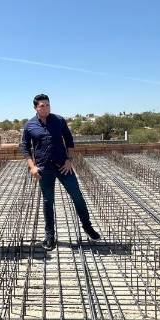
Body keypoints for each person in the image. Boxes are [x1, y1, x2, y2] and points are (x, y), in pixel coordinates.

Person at [20, 94, 100, 250]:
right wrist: (32, 166)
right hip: (44, 169)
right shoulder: (29, 125)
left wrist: (69, 159)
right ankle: (50, 235)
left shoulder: (59, 120)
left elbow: (69, 141)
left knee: (77, 195)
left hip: (63, 166)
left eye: (48, 105)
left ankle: (87, 226)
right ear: (36, 107)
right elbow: (24, 147)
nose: (46, 108)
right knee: (48, 202)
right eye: (42, 105)